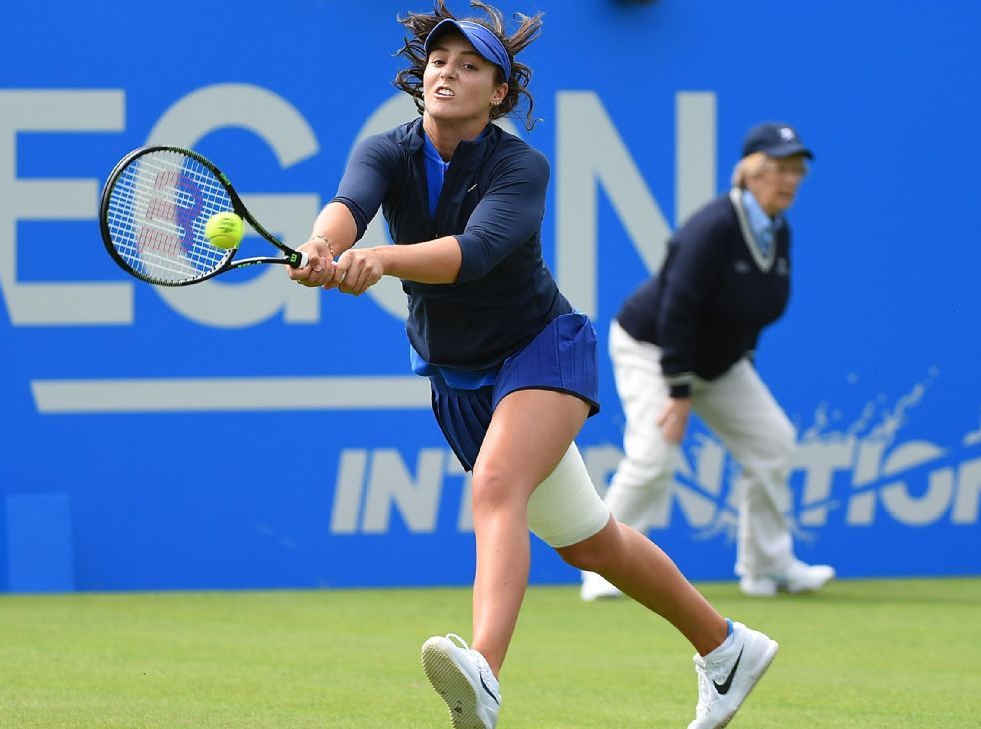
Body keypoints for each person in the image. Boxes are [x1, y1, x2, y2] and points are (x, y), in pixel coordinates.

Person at [288, 3, 777, 727]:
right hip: (457, 379)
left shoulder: (521, 165)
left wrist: (379, 261)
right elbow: (346, 206)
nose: (448, 74)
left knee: (495, 485)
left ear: (500, 93)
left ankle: (483, 669)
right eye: (440, 61)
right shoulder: (386, 150)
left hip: (539, 350)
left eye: (470, 67)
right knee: (590, 540)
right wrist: (324, 245)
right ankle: (727, 648)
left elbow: (474, 253)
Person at [580, 121, 836, 603]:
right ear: (751, 173)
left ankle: (768, 566)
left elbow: (754, 310)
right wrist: (679, 391)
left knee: (772, 441)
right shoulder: (714, 226)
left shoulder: (778, 233)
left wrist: (742, 364)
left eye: (796, 171)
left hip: (719, 361)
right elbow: (679, 307)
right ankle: (603, 565)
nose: (789, 180)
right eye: (778, 169)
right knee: (654, 455)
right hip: (653, 347)